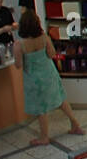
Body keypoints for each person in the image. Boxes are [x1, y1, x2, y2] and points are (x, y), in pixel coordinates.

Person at [14, 10, 82, 146]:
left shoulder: (19, 44)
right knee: (60, 98)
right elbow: (51, 54)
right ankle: (75, 124)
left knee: (41, 108)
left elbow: (18, 65)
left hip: (34, 78)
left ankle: (44, 137)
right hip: (49, 73)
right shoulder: (44, 37)